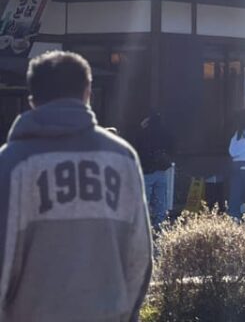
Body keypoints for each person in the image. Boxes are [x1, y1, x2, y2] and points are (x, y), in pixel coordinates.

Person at [0, 51, 151, 321]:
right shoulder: (121, 158)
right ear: (88, 92)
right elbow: (139, 257)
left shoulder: (13, 163)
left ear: (32, 99)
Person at [131, 110, 174, 227]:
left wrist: (140, 127)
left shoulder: (143, 133)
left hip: (146, 171)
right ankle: (159, 227)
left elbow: (135, 146)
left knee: (145, 201)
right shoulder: (165, 132)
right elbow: (173, 146)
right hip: (161, 169)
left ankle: (144, 226)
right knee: (161, 202)